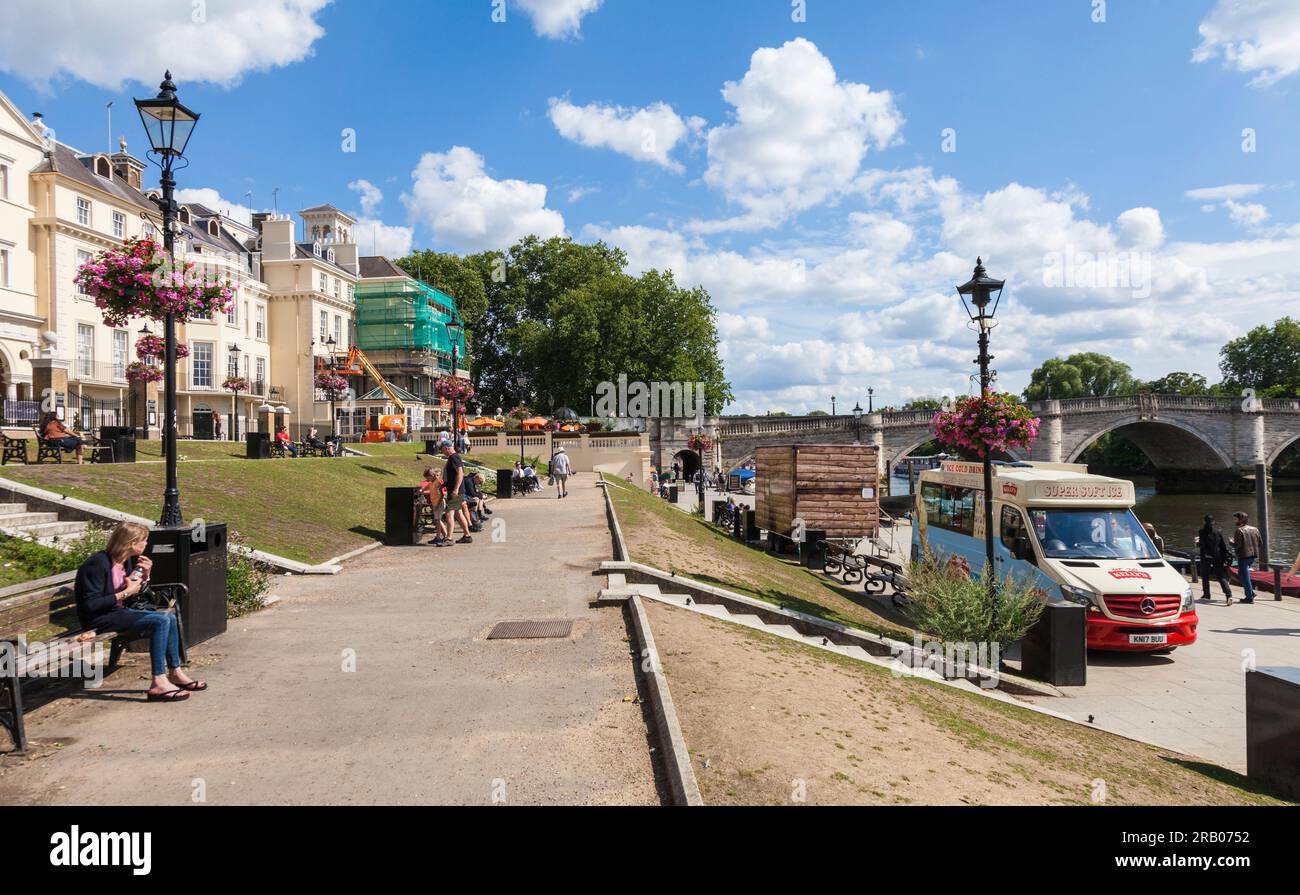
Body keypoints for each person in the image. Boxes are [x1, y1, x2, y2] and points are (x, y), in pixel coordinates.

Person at [73, 521, 206, 701]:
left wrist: (144, 576)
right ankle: (158, 681)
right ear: (131, 543)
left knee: (169, 618)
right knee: (160, 621)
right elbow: (91, 605)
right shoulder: (98, 563)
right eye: (143, 540)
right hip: (99, 619)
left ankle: (175, 671)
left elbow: (131, 594)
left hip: (117, 613)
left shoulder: (124, 562)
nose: (146, 544)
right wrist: (126, 592)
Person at [440, 441, 473, 543]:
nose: (442, 452)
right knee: (458, 513)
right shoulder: (454, 457)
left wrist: (456, 489)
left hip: (455, 491)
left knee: (449, 513)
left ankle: (449, 538)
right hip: (455, 490)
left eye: (442, 449)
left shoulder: (454, 457)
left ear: (446, 448)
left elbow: (460, 473)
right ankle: (467, 536)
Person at [1195, 514, 1234, 603]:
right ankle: (1228, 595)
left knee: (1205, 575)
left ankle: (1207, 594)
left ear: (1204, 522)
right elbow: (1222, 545)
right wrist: (1224, 556)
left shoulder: (1202, 531)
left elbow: (1203, 545)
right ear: (1213, 522)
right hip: (1217, 556)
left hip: (1206, 556)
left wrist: (1197, 542)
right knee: (1220, 575)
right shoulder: (1218, 531)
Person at [1231, 511, 1263, 604]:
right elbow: (1260, 542)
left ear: (1241, 520)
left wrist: (1231, 542)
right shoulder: (1255, 529)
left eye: (1235, 519)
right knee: (1242, 574)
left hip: (1243, 556)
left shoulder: (1239, 530)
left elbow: (1237, 545)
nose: (1234, 521)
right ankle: (1251, 593)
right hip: (1252, 555)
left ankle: (1249, 597)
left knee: (1244, 576)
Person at [419, 467, 451, 546]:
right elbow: (428, 486)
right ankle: (443, 536)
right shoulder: (432, 482)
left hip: (439, 503)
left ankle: (440, 537)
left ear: (432, 475)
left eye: (428, 477)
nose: (427, 479)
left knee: (438, 520)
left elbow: (442, 495)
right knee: (437, 520)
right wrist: (422, 490)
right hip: (435, 503)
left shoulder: (438, 482)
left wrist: (437, 505)